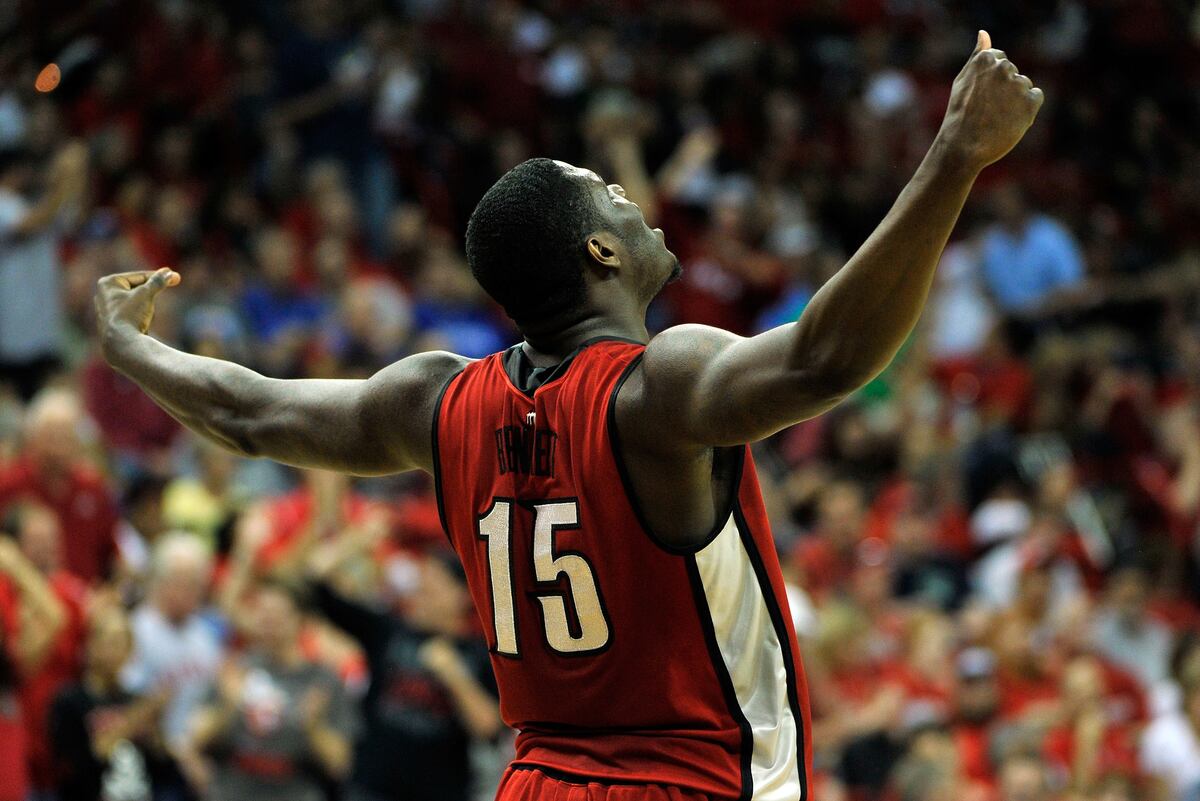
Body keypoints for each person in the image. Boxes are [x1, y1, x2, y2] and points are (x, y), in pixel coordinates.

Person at [92, 30, 1043, 801]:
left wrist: (133, 347)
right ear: (599, 249)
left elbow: (251, 413)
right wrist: (957, 155)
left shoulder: (436, 399)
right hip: (692, 780)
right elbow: (829, 355)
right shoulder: (659, 385)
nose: (641, 206)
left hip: (536, 780)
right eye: (618, 199)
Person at [187, 580, 355, 801]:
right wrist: (227, 707)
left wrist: (314, 728)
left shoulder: (323, 681)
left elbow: (340, 764)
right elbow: (195, 738)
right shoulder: (236, 668)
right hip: (231, 790)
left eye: (278, 614)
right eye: (262, 611)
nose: (268, 621)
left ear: (301, 619)